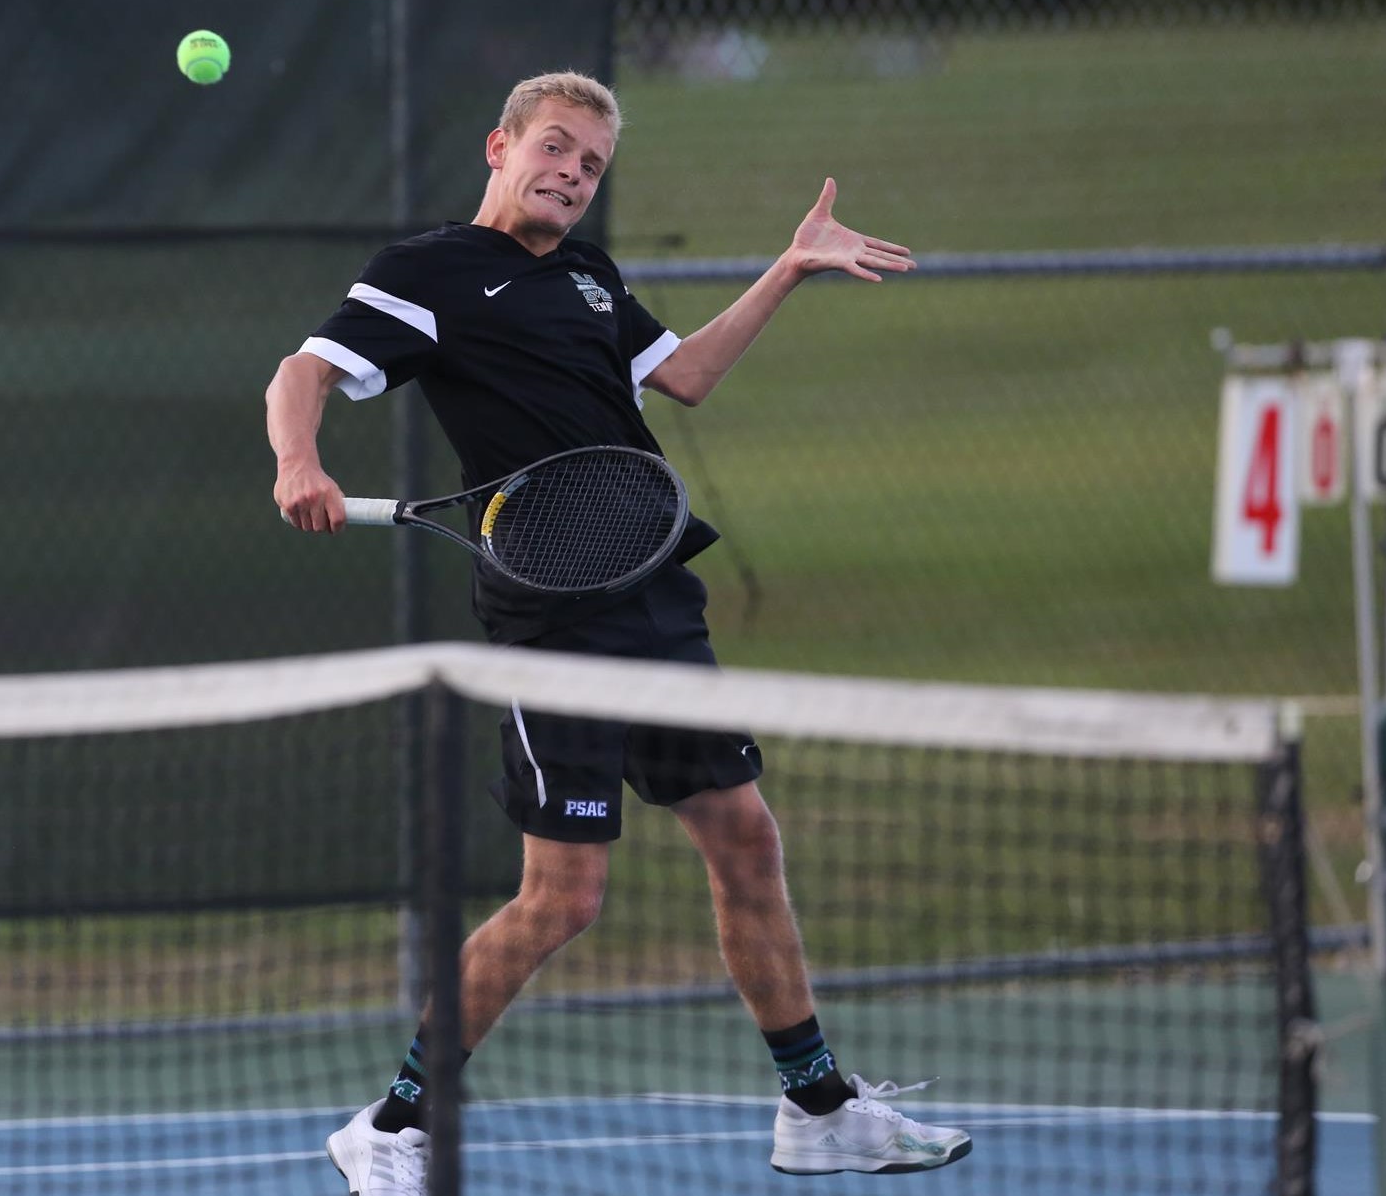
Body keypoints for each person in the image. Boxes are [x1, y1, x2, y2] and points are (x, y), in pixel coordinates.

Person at [266, 70, 970, 1194]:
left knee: (744, 837)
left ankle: (819, 1107)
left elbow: (682, 374)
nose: (569, 175)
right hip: (546, 616)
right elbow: (302, 370)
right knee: (564, 897)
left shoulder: (590, 275)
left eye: (589, 165)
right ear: (500, 147)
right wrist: (296, 458)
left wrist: (786, 269)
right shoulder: (427, 272)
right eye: (552, 149)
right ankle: (393, 1123)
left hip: (650, 587)